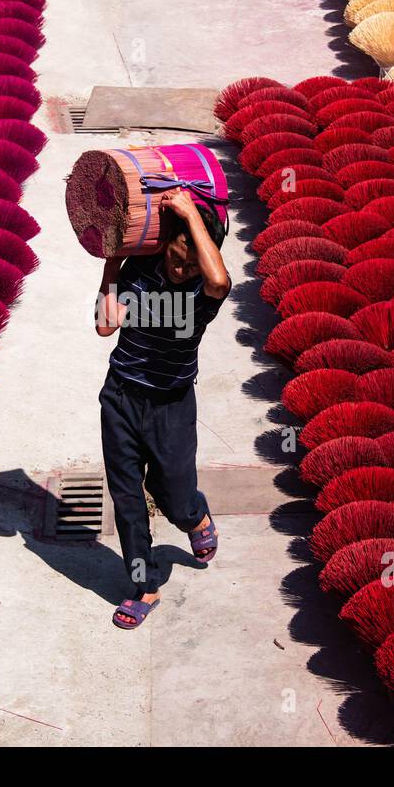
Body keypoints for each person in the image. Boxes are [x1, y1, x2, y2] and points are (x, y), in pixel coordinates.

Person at [95, 190, 230, 629]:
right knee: (128, 499)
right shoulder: (139, 271)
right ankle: (144, 585)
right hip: (120, 397)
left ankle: (195, 515)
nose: (181, 269)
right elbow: (104, 324)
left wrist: (191, 214)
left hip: (171, 403)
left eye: (190, 264)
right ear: (167, 244)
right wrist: (113, 261)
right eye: (176, 257)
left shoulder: (201, 291)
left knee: (173, 493)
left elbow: (220, 282)